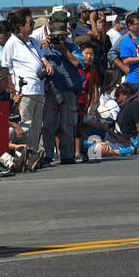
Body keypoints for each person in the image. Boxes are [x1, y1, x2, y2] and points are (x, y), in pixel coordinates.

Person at [1, 8, 49, 165]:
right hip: (25, 91)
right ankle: (25, 156)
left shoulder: (34, 41)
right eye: (30, 23)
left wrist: (47, 64)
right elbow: (6, 69)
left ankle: (34, 154)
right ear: (20, 26)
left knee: (37, 125)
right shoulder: (11, 43)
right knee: (26, 125)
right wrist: (12, 90)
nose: (33, 25)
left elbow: (42, 58)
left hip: (39, 89)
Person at [40, 11, 81, 165]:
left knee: (67, 123)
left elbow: (78, 63)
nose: (59, 38)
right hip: (50, 90)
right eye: (56, 35)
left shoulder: (73, 47)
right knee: (48, 123)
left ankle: (67, 154)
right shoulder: (43, 48)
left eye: (62, 35)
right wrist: (41, 45)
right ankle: (47, 154)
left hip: (68, 90)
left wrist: (64, 49)